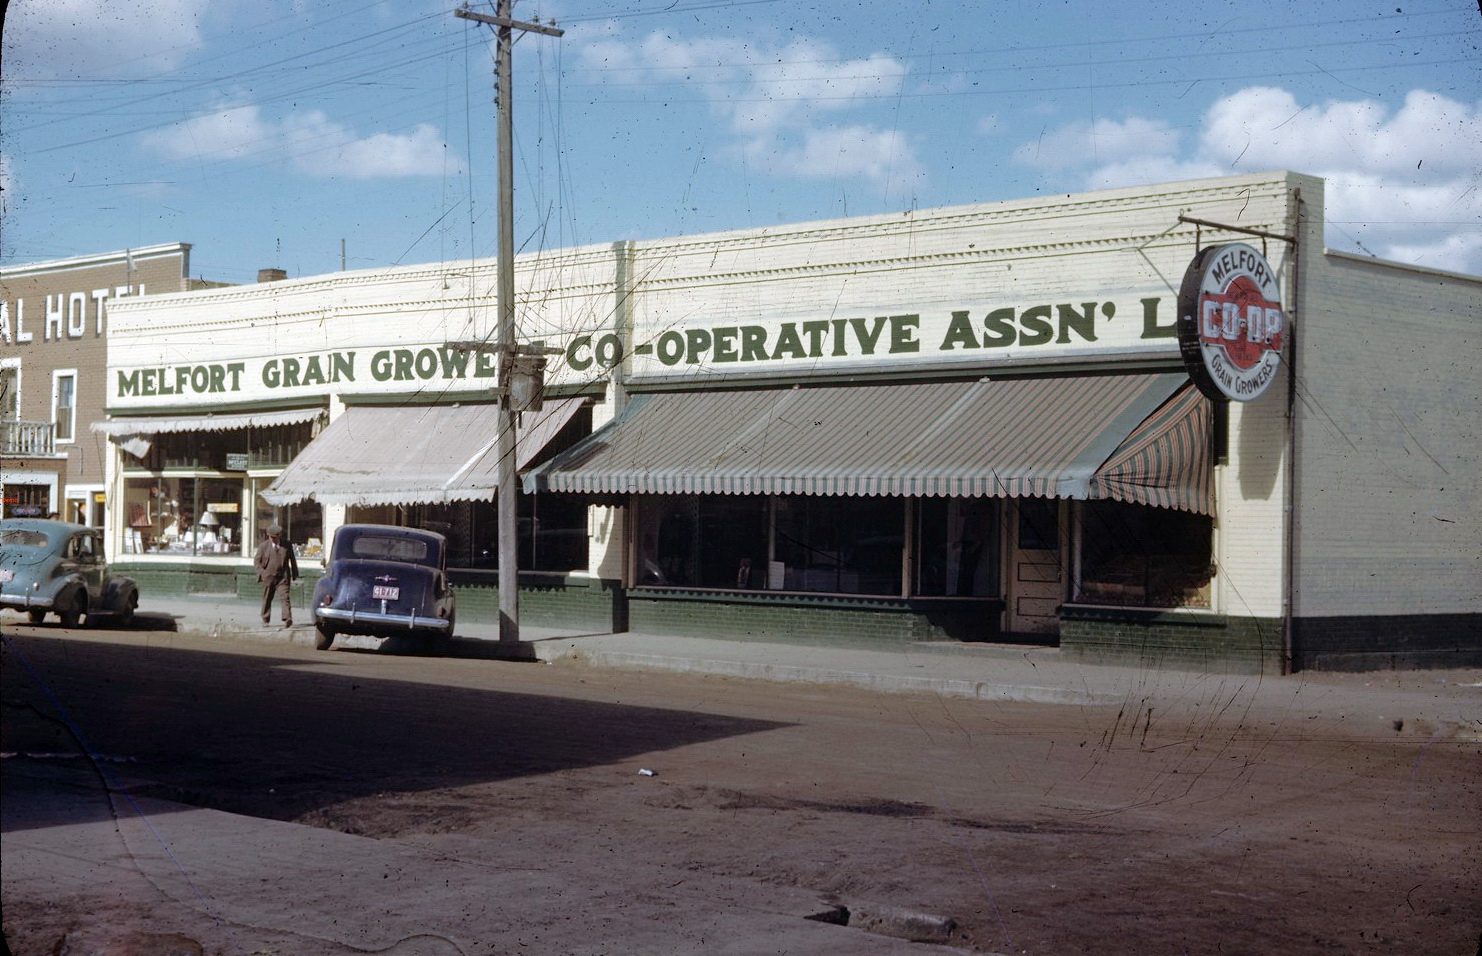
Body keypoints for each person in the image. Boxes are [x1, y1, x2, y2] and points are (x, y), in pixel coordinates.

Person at [254, 524, 299, 627]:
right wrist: (262, 573)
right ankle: (265, 618)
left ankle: (287, 618)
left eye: (275, 537)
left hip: (283, 576)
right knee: (267, 598)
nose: (273, 539)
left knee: (285, 597)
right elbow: (257, 562)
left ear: (279, 536)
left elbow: (292, 560)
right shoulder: (263, 546)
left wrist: (295, 573)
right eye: (271, 537)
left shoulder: (287, 545)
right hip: (268, 576)